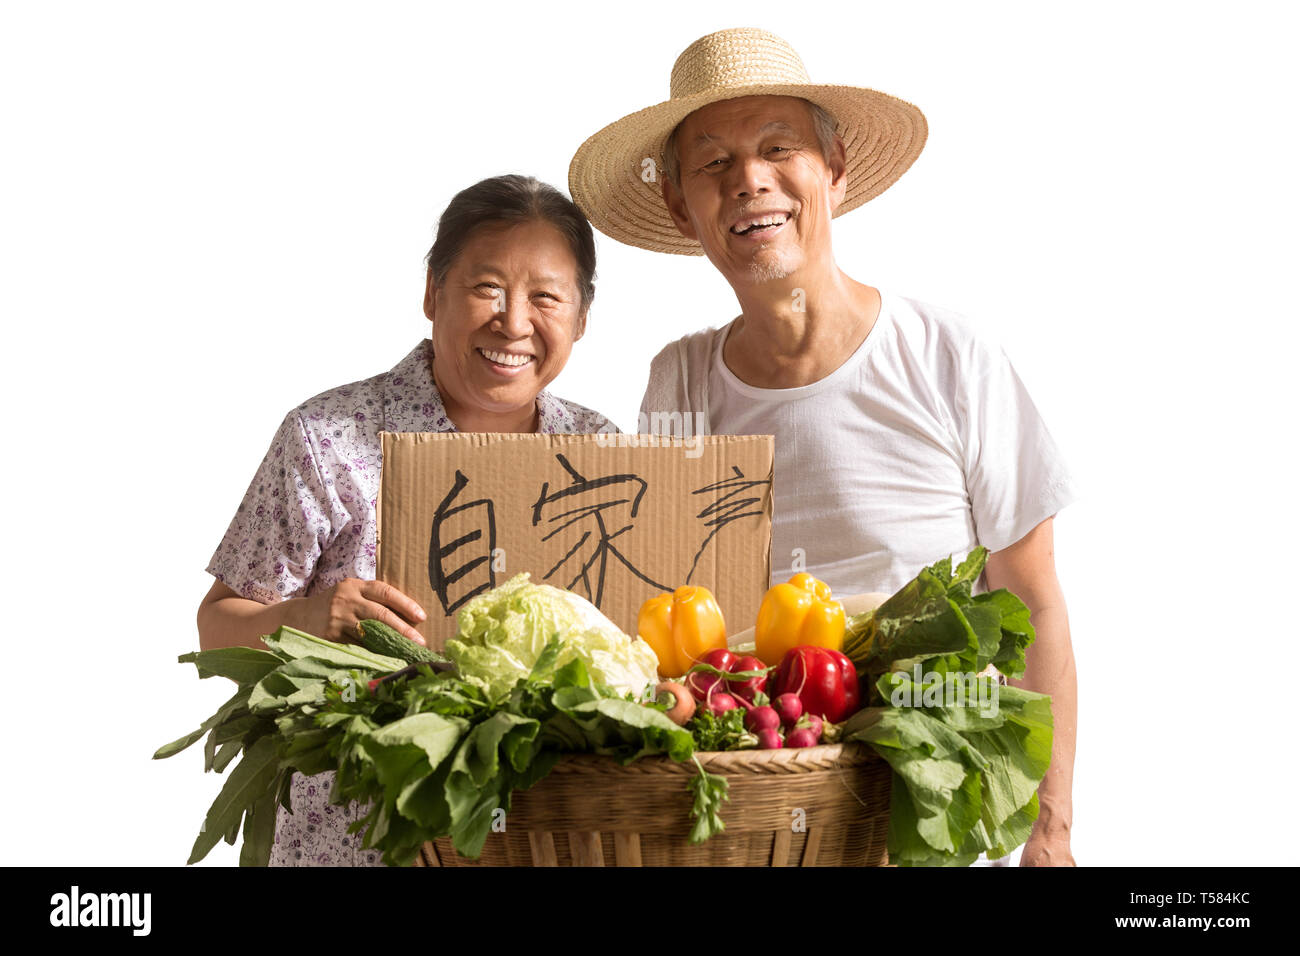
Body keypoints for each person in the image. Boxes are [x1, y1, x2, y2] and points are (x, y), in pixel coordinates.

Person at [569, 28, 1078, 866]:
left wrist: (1050, 829)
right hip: (756, 818)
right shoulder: (680, 383)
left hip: (931, 814)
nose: (750, 183)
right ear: (679, 206)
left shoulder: (951, 357)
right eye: (713, 165)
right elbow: (663, 608)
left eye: (779, 149)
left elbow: (1036, 600)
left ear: (833, 172)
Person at [197, 174, 617, 865]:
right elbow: (216, 631)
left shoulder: (602, 452)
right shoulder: (329, 438)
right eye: (487, 287)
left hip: (541, 839)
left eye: (545, 297)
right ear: (432, 292)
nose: (514, 322)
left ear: (579, 317)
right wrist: (307, 620)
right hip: (353, 842)